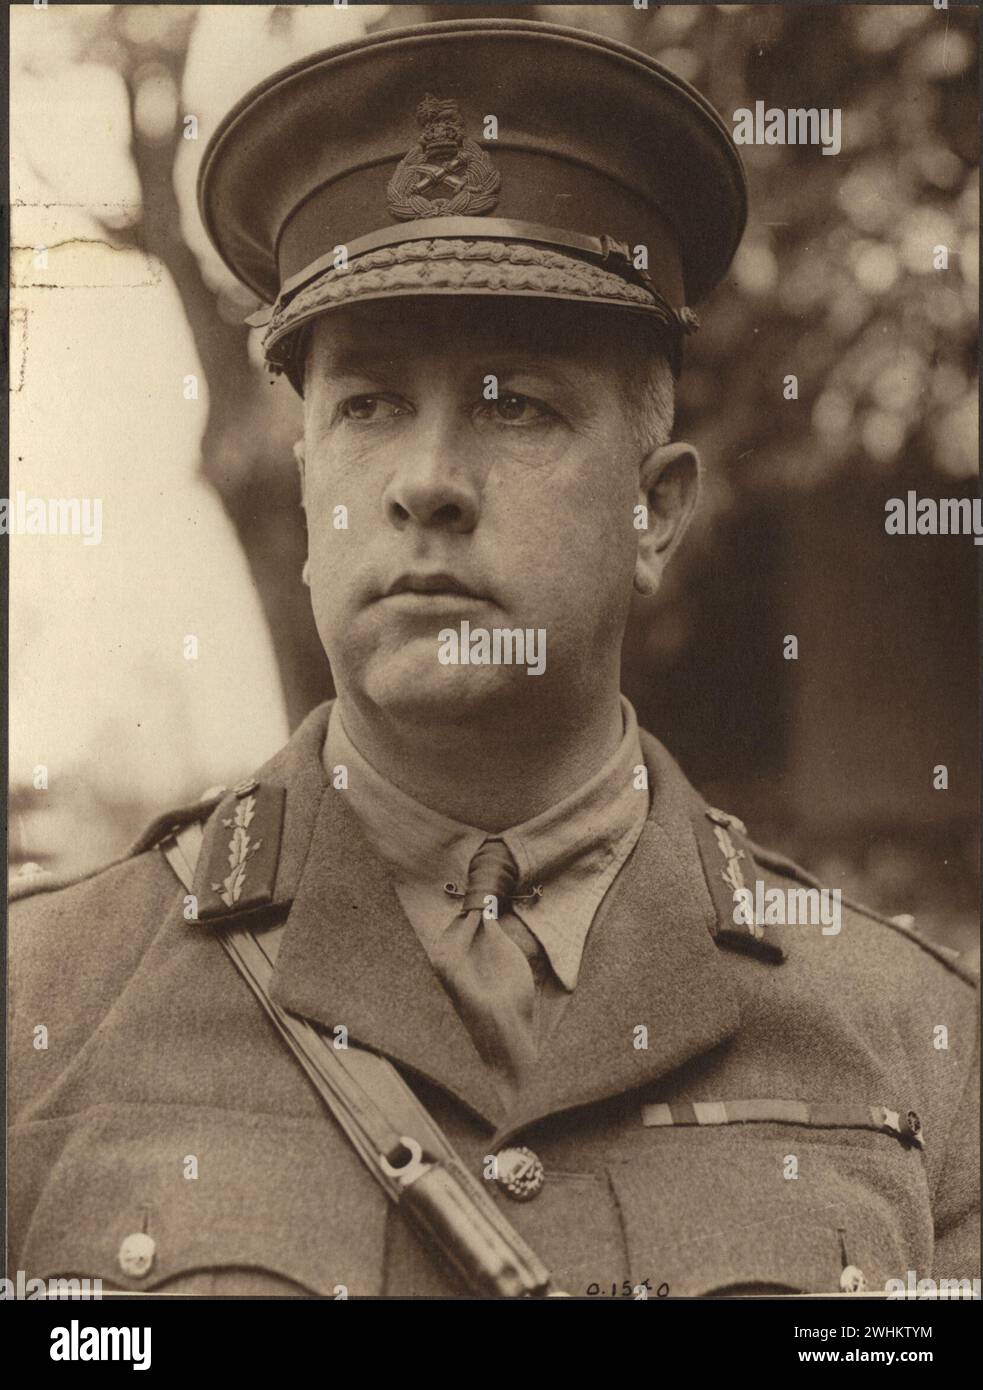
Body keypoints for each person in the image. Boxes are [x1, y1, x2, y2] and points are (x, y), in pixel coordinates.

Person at [9, 17, 978, 1299]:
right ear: (307, 491)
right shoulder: (45, 1009)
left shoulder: (914, 1042)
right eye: (366, 405)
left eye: (511, 402)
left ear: (657, 511)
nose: (424, 483)